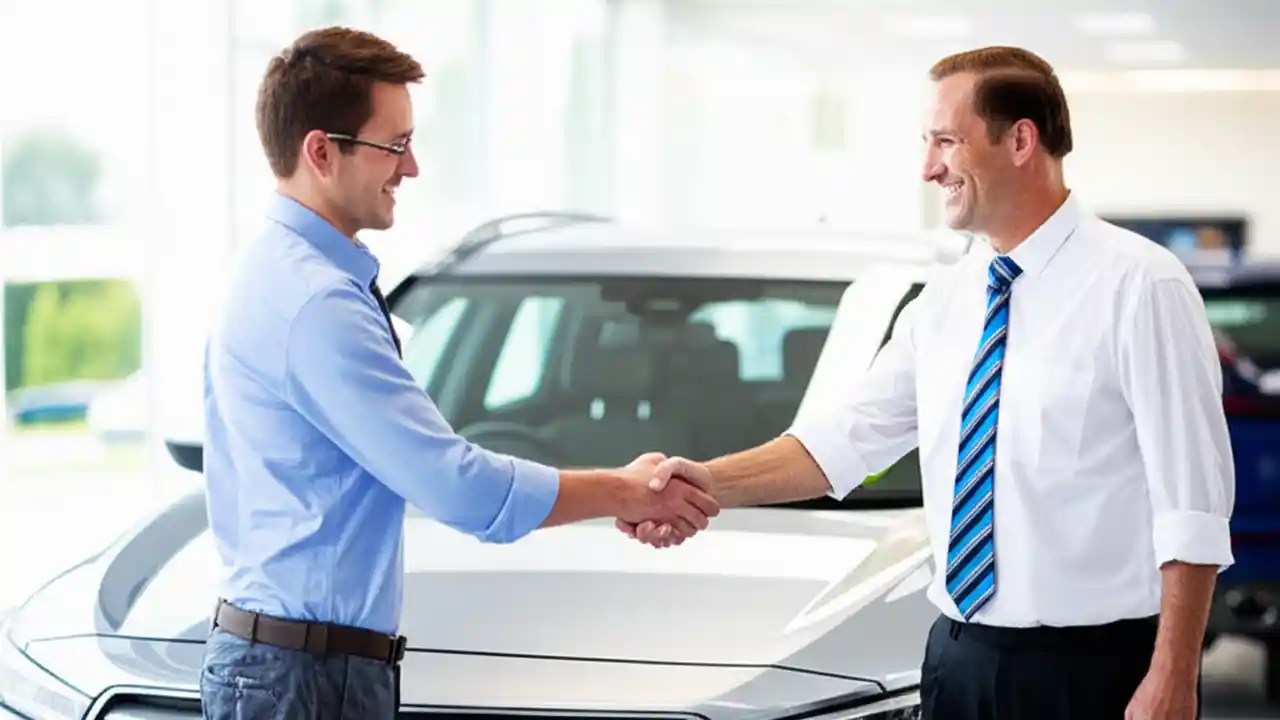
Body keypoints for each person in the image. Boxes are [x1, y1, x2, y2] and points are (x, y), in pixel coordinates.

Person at [621, 45, 1233, 720]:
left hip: (1094, 673)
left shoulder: (1142, 286)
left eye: (946, 141)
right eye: (927, 143)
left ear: (1020, 141)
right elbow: (842, 443)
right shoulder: (948, 299)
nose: (928, 168)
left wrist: (1175, 675)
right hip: (957, 660)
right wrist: (701, 484)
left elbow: (1192, 505)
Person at [199, 27, 717, 720]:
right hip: (307, 681)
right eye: (395, 145)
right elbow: (457, 486)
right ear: (321, 152)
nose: (411, 168)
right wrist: (626, 490)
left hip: (294, 666)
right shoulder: (316, 301)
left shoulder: (276, 272)